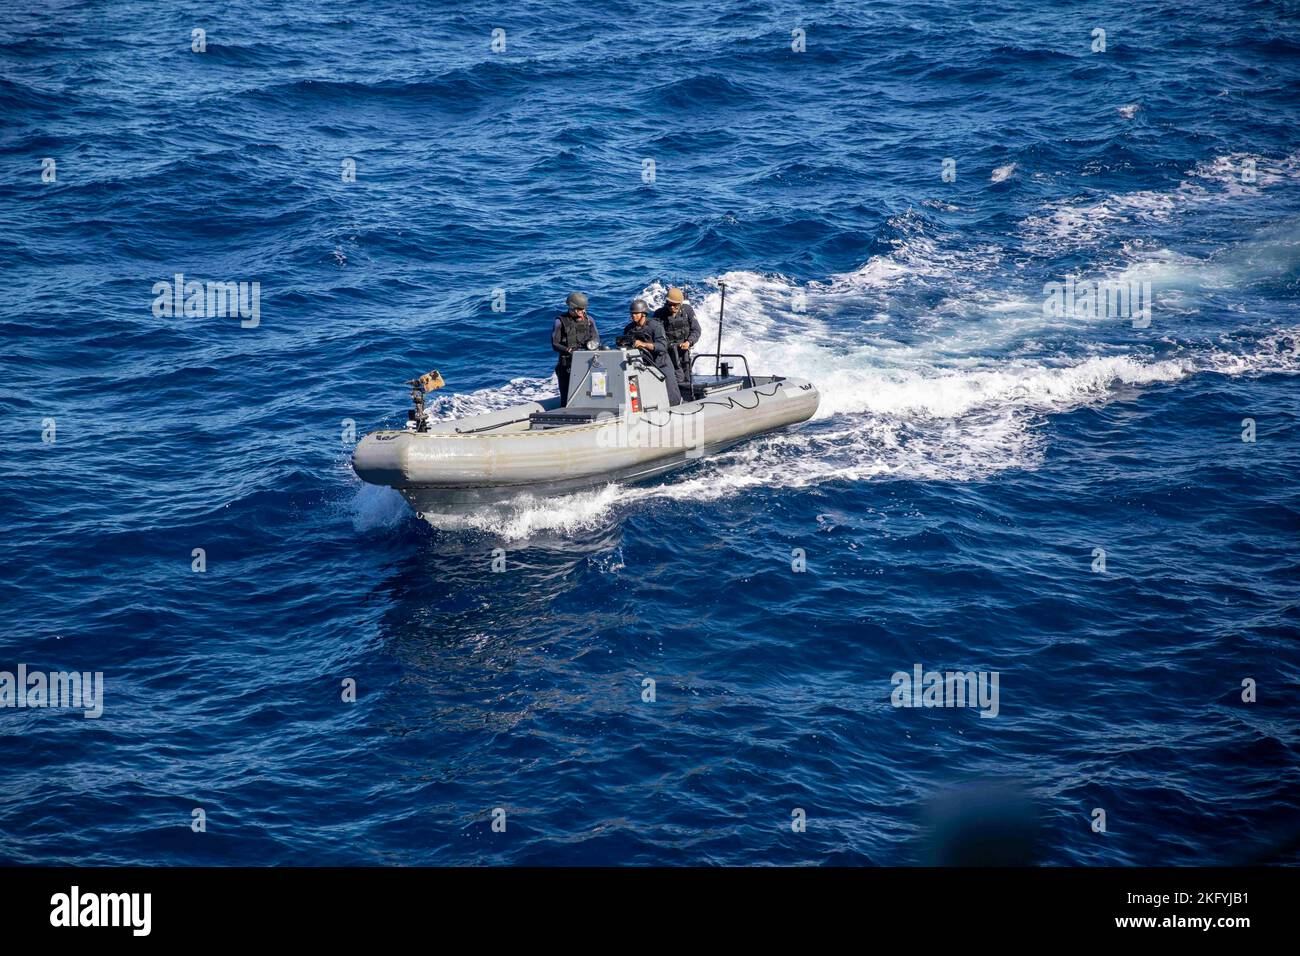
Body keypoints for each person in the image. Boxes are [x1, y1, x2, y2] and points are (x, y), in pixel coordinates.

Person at [624, 298, 681, 406]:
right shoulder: (629, 329)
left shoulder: (655, 326)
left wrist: (643, 344)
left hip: (661, 363)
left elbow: (662, 346)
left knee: (672, 395)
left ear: (644, 314)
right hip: (643, 365)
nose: (633, 316)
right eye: (632, 313)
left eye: (636, 313)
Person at [551, 292, 599, 404]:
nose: (583, 312)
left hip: (586, 362)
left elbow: (596, 338)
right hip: (567, 365)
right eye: (580, 309)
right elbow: (555, 344)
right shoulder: (560, 322)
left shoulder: (589, 320)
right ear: (572, 308)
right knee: (566, 397)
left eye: (584, 309)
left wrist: (592, 345)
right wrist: (568, 350)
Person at [653, 286, 702, 389]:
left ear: (680, 304)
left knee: (687, 380)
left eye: (675, 305)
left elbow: (696, 330)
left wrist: (689, 342)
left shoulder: (687, 311)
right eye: (669, 305)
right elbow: (654, 335)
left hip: (684, 351)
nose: (672, 308)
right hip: (668, 352)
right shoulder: (659, 314)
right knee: (672, 380)